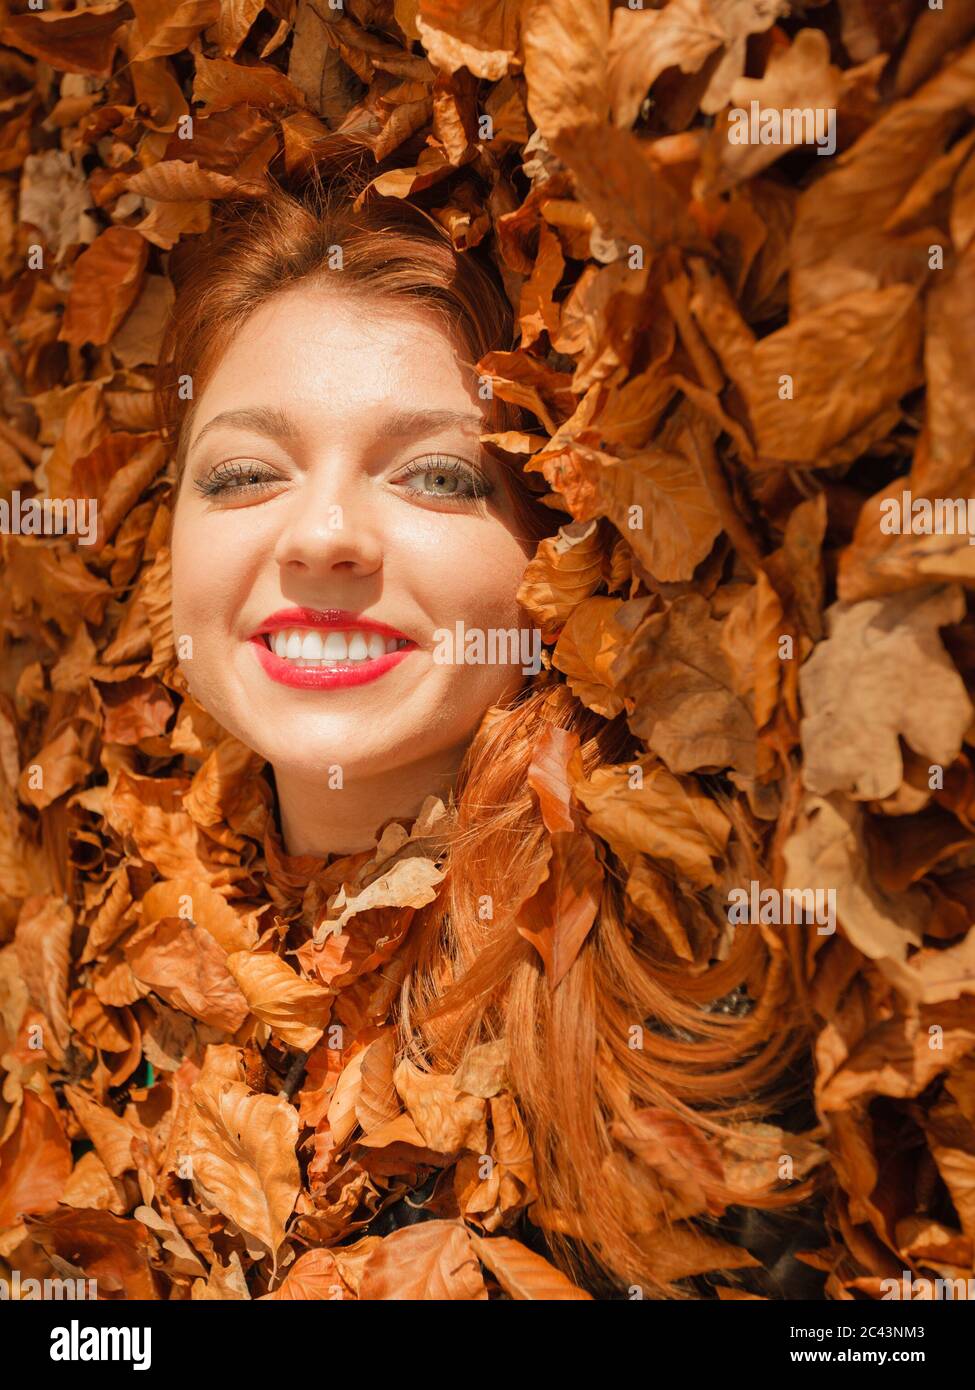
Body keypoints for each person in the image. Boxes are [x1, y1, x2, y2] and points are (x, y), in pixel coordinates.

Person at [156, 162, 825, 1300]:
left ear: (560, 555)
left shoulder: (685, 1017)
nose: (323, 535)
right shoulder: (122, 962)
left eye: (436, 476)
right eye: (242, 473)